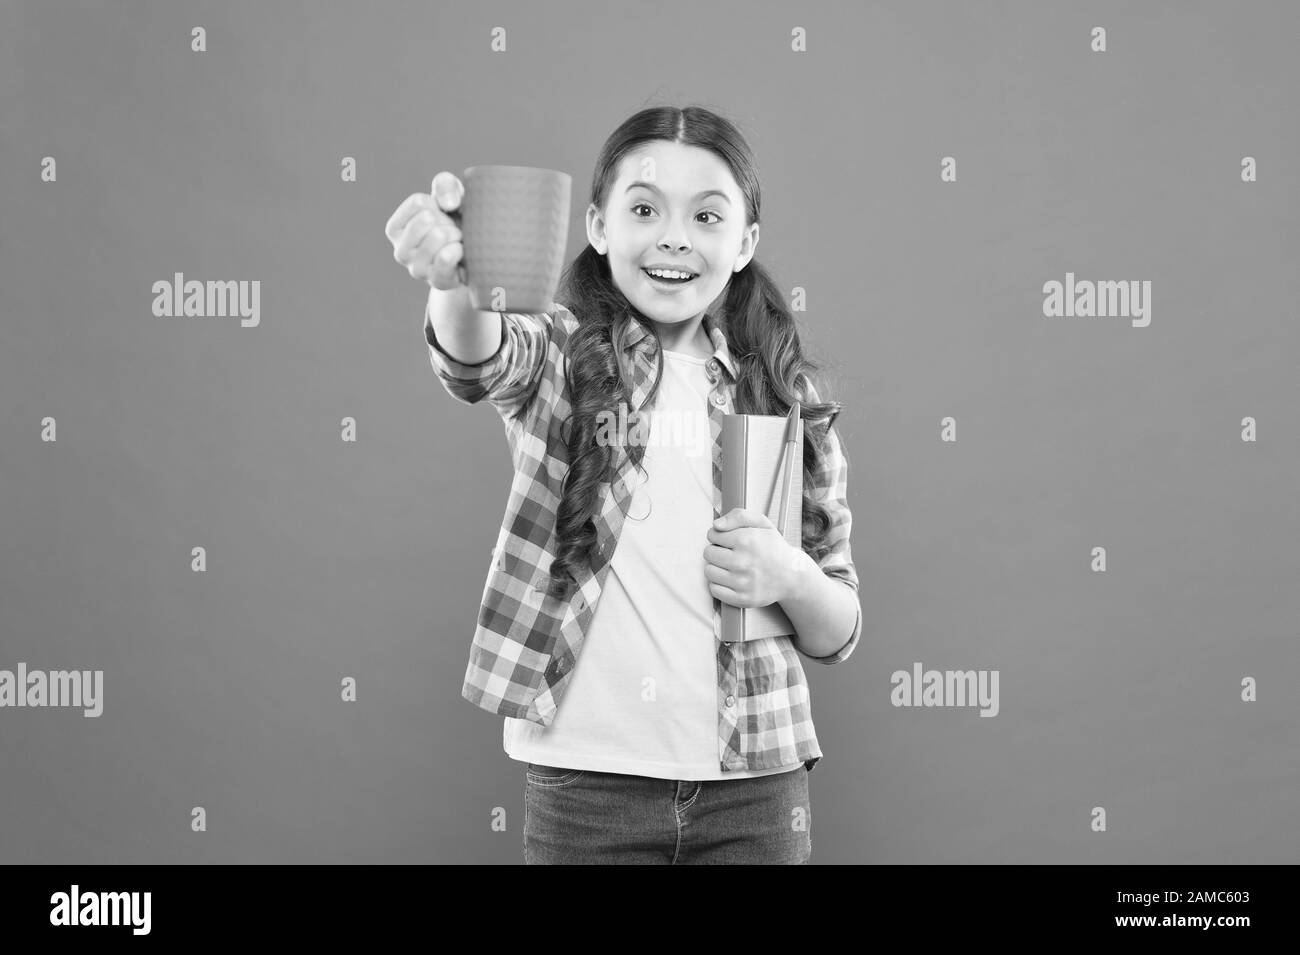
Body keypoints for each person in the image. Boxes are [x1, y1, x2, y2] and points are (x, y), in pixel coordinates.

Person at [385, 105, 862, 864]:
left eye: (707, 215)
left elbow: (837, 629)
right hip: (586, 791)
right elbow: (477, 360)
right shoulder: (563, 359)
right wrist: (456, 285)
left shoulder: (783, 396)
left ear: (744, 244)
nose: (674, 236)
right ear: (600, 227)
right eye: (644, 209)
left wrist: (790, 573)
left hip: (757, 794)